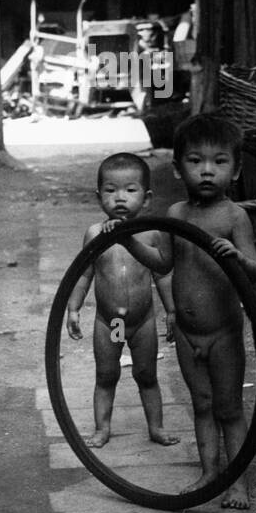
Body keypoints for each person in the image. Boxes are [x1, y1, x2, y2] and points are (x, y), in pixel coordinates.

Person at [166, 113, 256, 509]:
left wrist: (237, 256)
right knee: (201, 405)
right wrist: (125, 238)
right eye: (195, 160)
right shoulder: (175, 215)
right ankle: (209, 473)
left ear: (235, 169)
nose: (207, 170)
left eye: (219, 161)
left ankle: (237, 484)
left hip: (223, 332)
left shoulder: (233, 216)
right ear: (177, 168)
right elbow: (161, 263)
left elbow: (255, 273)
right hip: (188, 334)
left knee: (228, 407)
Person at [66, 153, 179, 449]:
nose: (120, 198)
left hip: (142, 322)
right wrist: (73, 308)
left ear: (146, 198)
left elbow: (162, 276)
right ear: (98, 196)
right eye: (110, 190)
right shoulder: (94, 234)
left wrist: (171, 309)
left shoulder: (152, 234)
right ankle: (102, 429)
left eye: (130, 190)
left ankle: (156, 427)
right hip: (110, 323)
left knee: (146, 375)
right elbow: (83, 275)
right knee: (106, 375)